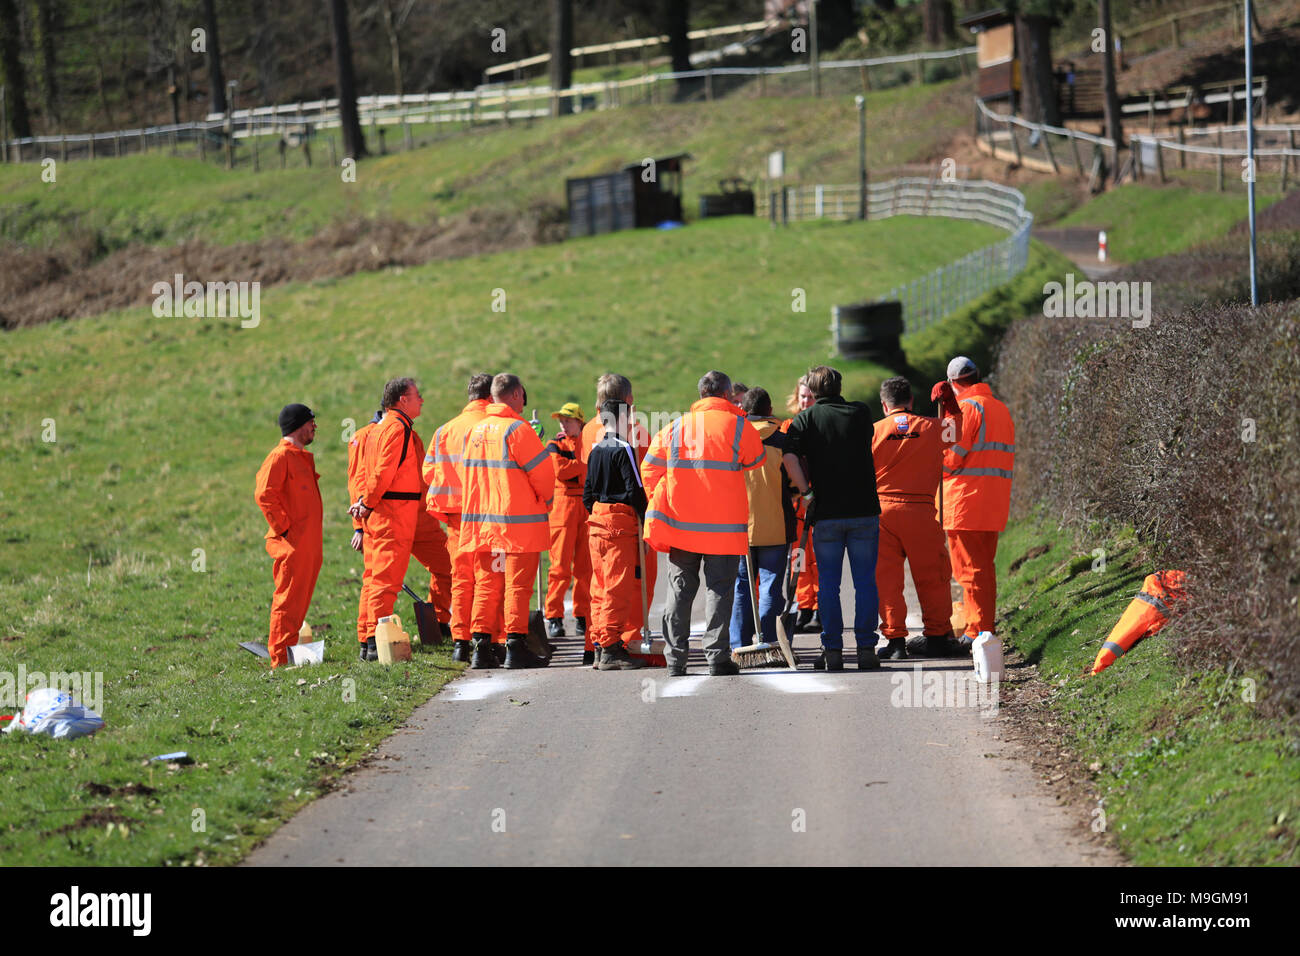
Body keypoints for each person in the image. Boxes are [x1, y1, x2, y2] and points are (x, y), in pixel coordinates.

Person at [642, 370, 765, 676]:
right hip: (724, 531)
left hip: (681, 528)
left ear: (700, 395)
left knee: (679, 592)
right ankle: (717, 658)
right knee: (720, 591)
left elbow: (649, 470)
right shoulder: (739, 426)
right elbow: (756, 461)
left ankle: (676, 660)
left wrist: (664, 499)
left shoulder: (674, 427)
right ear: (726, 395)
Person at [783, 365, 882, 671]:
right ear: (840, 386)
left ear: (811, 391)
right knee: (865, 582)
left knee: (828, 584)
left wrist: (807, 492)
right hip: (863, 508)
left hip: (825, 511)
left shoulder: (805, 418)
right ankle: (866, 648)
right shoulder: (861, 413)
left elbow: (788, 457)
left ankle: (833, 650)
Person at [459, 373, 556, 669]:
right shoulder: (518, 429)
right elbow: (543, 477)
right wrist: (546, 501)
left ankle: (481, 648)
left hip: (484, 527)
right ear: (514, 395)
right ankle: (515, 646)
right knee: (517, 587)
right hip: (516, 526)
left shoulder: (474, 431)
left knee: (487, 584)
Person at [872, 376, 962, 660]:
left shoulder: (873, 431)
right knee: (932, 576)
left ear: (885, 406)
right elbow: (957, 431)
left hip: (882, 512)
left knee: (886, 580)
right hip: (921, 511)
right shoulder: (932, 427)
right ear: (911, 401)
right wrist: (949, 404)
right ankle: (937, 637)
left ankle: (896, 642)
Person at [352, 408, 452, 641]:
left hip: (419, 516)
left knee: (448, 566)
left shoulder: (407, 432)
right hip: (391, 517)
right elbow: (359, 481)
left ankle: (438, 623)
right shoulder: (366, 435)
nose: (422, 402)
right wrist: (359, 525)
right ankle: (372, 639)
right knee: (379, 580)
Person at [938, 356, 1015, 651]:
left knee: (969, 572)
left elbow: (950, 458)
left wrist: (945, 418)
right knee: (983, 569)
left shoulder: (966, 409)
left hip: (964, 503)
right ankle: (983, 629)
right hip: (993, 503)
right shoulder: (1001, 409)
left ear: (952, 384)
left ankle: (977, 632)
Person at [349, 378, 425, 662]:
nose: (422, 400)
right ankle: (376, 643)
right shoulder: (396, 429)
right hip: (392, 512)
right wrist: (367, 503)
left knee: (373, 578)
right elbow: (381, 473)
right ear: (402, 400)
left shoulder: (378, 429)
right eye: (417, 396)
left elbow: (365, 474)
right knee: (386, 581)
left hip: (382, 512)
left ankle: (368, 640)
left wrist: (363, 505)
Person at [580, 372, 656, 648]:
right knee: (629, 585)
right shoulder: (634, 433)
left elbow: (585, 477)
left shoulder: (589, 430)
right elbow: (643, 478)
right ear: (628, 400)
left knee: (598, 584)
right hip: (626, 519)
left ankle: (596, 642)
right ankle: (627, 639)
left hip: (595, 517)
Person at [423, 374, 495, 663]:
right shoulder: (492, 427)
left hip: (455, 517)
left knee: (461, 579)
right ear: (490, 397)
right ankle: (484, 641)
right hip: (487, 514)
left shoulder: (444, 431)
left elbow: (428, 473)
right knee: (488, 578)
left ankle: (459, 643)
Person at [254, 403, 323, 670]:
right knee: (287, 601)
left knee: (298, 601)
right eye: (310, 422)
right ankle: (280, 660)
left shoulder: (299, 456)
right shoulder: (280, 457)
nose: (314, 426)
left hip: (307, 545)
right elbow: (264, 495)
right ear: (297, 425)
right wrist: (284, 529)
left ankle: (288, 653)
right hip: (292, 544)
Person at [730, 387, 797, 650]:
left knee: (742, 586)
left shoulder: (733, 440)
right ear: (770, 411)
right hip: (776, 525)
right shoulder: (781, 440)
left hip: (739, 525)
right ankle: (770, 640)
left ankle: (739, 643)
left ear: (743, 411)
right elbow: (793, 482)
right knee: (770, 585)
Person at [543, 402, 592, 643]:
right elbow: (560, 471)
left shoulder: (589, 442)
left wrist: (578, 469)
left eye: (568, 419)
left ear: (580, 421)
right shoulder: (555, 444)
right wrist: (583, 467)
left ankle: (582, 616)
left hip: (585, 506)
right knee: (559, 567)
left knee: (585, 569)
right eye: (561, 419)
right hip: (562, 511)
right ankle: (554, 617)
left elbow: (578, 470)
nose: (563, 423)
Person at [783, 375, 820, 634]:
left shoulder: (822, 423)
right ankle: (804, 606)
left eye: (811, 397)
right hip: (797, 502)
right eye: (803, 396)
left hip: (819, 501)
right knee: (799, 558)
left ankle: (820, 607)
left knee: (818, 557)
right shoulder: (788, 426)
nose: (806, 401)